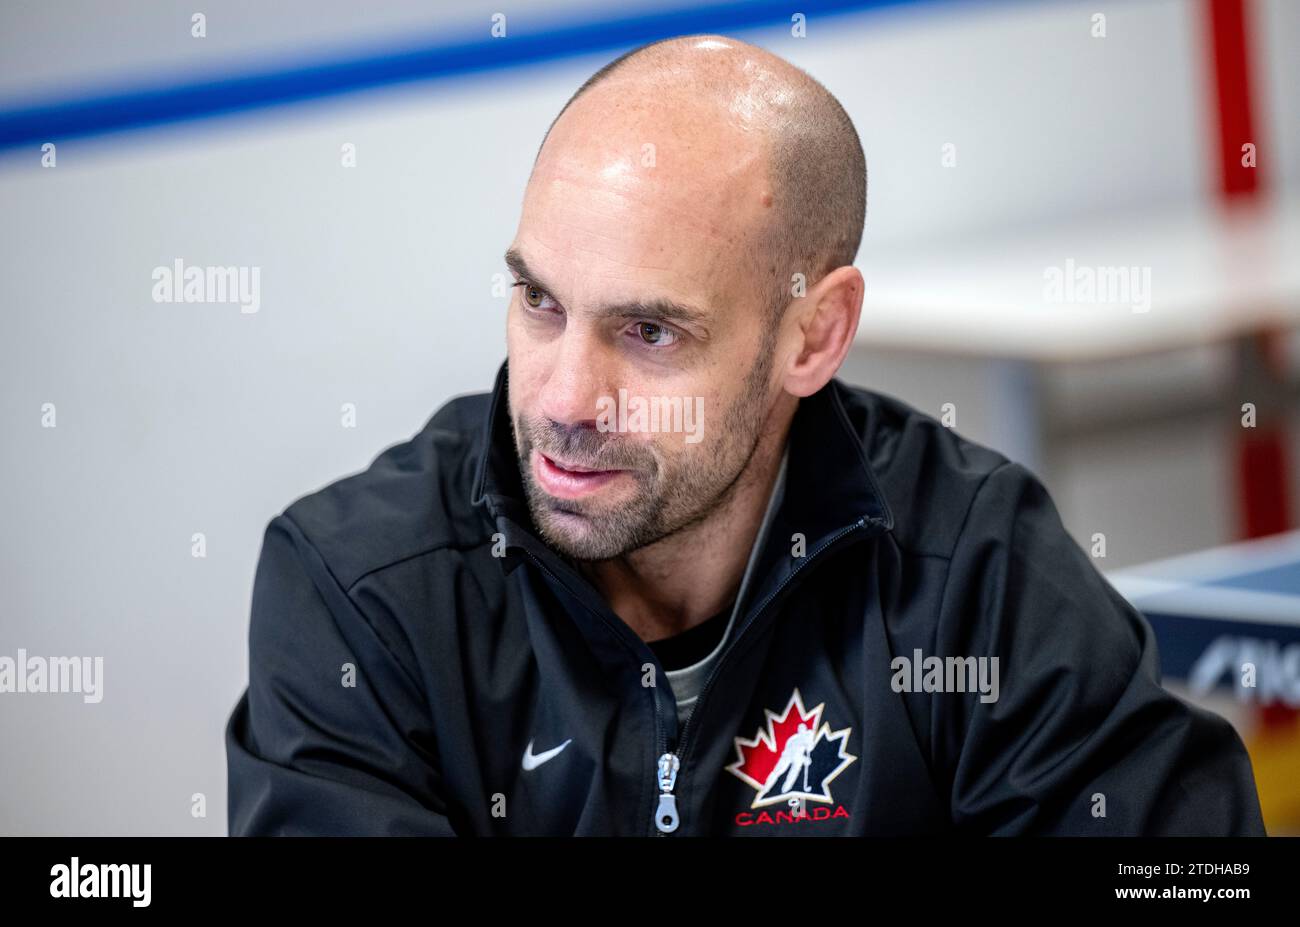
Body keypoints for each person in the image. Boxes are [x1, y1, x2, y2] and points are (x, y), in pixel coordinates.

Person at [225, 34, 1266, 836]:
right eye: (539, 303)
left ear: (812, 337)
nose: (565, 398)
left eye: (648, 331)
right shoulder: (363, 589)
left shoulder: (970, 567)